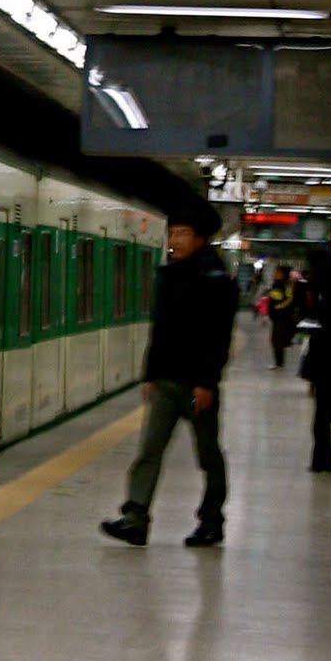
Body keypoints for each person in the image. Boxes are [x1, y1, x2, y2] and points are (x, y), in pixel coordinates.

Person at [100, 197, 238, 548]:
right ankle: (135, 518)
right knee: (149, 449)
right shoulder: (167, 276)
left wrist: (207, 382)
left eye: (183, 234)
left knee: (208, 456)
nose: (175, 241)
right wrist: (149, 374)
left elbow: (217, 339)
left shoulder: (218, 282)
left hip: (198, 387)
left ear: (201, 239)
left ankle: (211, 521)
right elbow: (160, 330)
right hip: (165, 383)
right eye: (172, 234)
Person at [299, 249, 331, 474]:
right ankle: (322, 461)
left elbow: (314, 315)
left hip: (326, 357)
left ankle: (322, 461)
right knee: (330, 408)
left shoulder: (321, 286)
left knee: (324, 412)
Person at [266, 263, 298, 368]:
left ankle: (279, 362)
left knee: (278, 340)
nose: (275, 274)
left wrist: (278, 307)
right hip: (277, 316)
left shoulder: (286, 285)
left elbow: (289, 299)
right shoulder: (277, 284)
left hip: (282, 316)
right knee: (276, 340)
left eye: (278, 272)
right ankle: (279, 362)